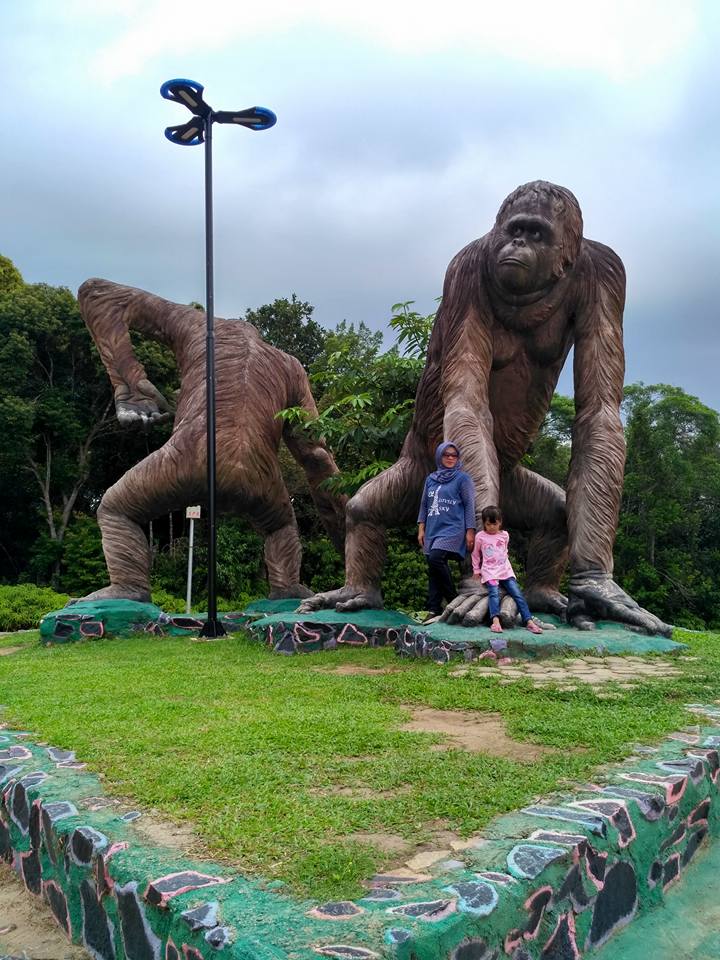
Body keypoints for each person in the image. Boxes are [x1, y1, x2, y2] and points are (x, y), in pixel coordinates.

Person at [417, 441, 475, 623]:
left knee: (436, 558)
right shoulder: (431, 479)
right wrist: (421, 528)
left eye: (454, 455)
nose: (450, 458)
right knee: (433, 567)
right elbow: (424, 505)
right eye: (446, 455)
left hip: (453, 528)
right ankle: (434, 608)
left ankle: (452, 599)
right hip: (433, 528)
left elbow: (469, 505)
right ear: (439, 456)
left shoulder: (462, 479)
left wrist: (470, 530)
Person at [471, 505, 543, 634]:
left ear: (500, 522)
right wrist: (476, 570)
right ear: (484, 523)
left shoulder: (504, 535)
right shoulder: (480, 536)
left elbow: (505, 551)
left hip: (505, 570)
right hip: (490, 571)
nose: (492, 527)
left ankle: (529, 621)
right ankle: (495, 621)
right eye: (488, 524)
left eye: (495, 524)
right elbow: (475, 554)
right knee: (494, 593)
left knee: (517, 594)